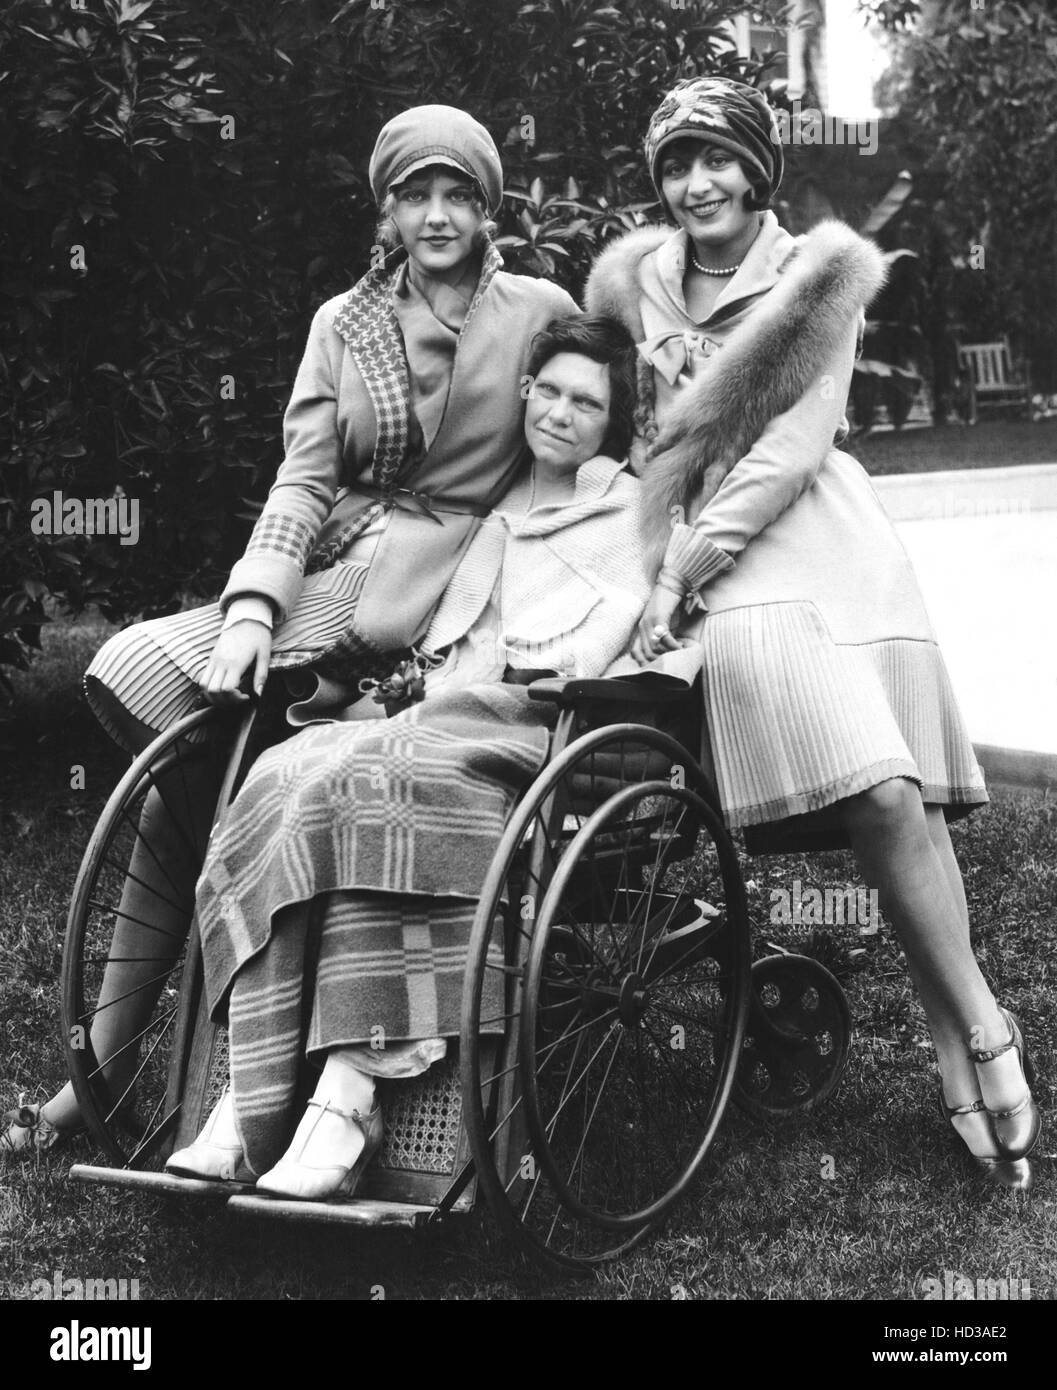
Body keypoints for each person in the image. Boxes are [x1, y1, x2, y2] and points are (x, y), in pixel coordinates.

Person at [2, 104, 576, 1156]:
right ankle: (131, 1042)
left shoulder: (538, 308)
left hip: (450, 589)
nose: (437, 215)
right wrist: (255, 606)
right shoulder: (341, 322)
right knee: (135, 673)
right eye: (414, 194)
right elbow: (303, 480)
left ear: (491, 206)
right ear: (386, 208)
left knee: (194, 798)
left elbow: (570, 456)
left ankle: (122, 1055)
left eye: (458, 194)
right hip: (333, 578)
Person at [584, 76, 1040, 1192]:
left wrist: (686, 558)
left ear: (756, 167)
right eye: (676, 166)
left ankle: (955, 1050)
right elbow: (606, 407)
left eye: (717, 160)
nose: (697, 185)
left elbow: (791, 449)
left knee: (913, 811)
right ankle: (991, 1029)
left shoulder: (816, 276)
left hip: (823, 538)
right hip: (723, 573)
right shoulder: (637, 283)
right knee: (880, 794)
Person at [162, 315, 652, 1197]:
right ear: (526, 392)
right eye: (550, 390)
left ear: (610, 422)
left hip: (534, 732)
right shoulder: (491, 512)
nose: (563, 413)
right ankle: (251, 1094)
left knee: (375, 778)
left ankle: (348, 1098)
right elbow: (433, 642)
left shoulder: (628, 512)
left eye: (589, 402)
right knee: (290, 767)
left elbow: (619, 648)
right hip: (435, 712)